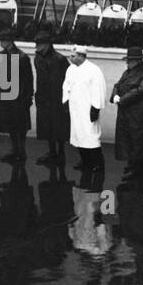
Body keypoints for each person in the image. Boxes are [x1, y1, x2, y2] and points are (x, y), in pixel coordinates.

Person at [62, 45, 106, 187]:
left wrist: (95, 108)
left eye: (73, 56)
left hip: (87, 110)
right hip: (75, 110)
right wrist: (65, 102)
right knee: (79, 135)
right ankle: (85, 161)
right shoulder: (70, 69)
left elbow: (99, 90)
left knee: (91, 136)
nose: (70, 58)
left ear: (81, 56)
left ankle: (98, 164)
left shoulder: (94, 70)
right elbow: (66, 86)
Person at [111, 44, 143, 181]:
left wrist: (122, 99)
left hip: (139, 113)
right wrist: (115, 95)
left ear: (137, 61)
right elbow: (117, 85)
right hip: (126, 111)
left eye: (129, 60)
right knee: (127, 139)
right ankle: (131, 164)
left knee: (138, 140)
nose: (127, 63)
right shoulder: (127, 73)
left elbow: (141, 91)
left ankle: (136, 168)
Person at [0, 28, 33, 165]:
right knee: (10, 126)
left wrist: (27, 98)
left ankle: (20, 152)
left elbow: (28, 80)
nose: (1, 43)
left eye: (3, 40)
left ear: (9, 41)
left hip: (19, 97)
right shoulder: (0, 56)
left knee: (20, 127)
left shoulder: (22, 57)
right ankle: (15, 150)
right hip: (5, 96)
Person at [32, 28, 70, 167]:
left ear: (47, 44)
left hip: (57, 98)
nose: (38, 47)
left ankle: (61, 153)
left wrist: (66, 98)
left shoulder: (60, 59)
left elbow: (68, 79)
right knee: (47, 127)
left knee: (59, 126)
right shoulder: (38, 59)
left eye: (40, 44)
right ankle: (52, 152)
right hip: (44, 97)